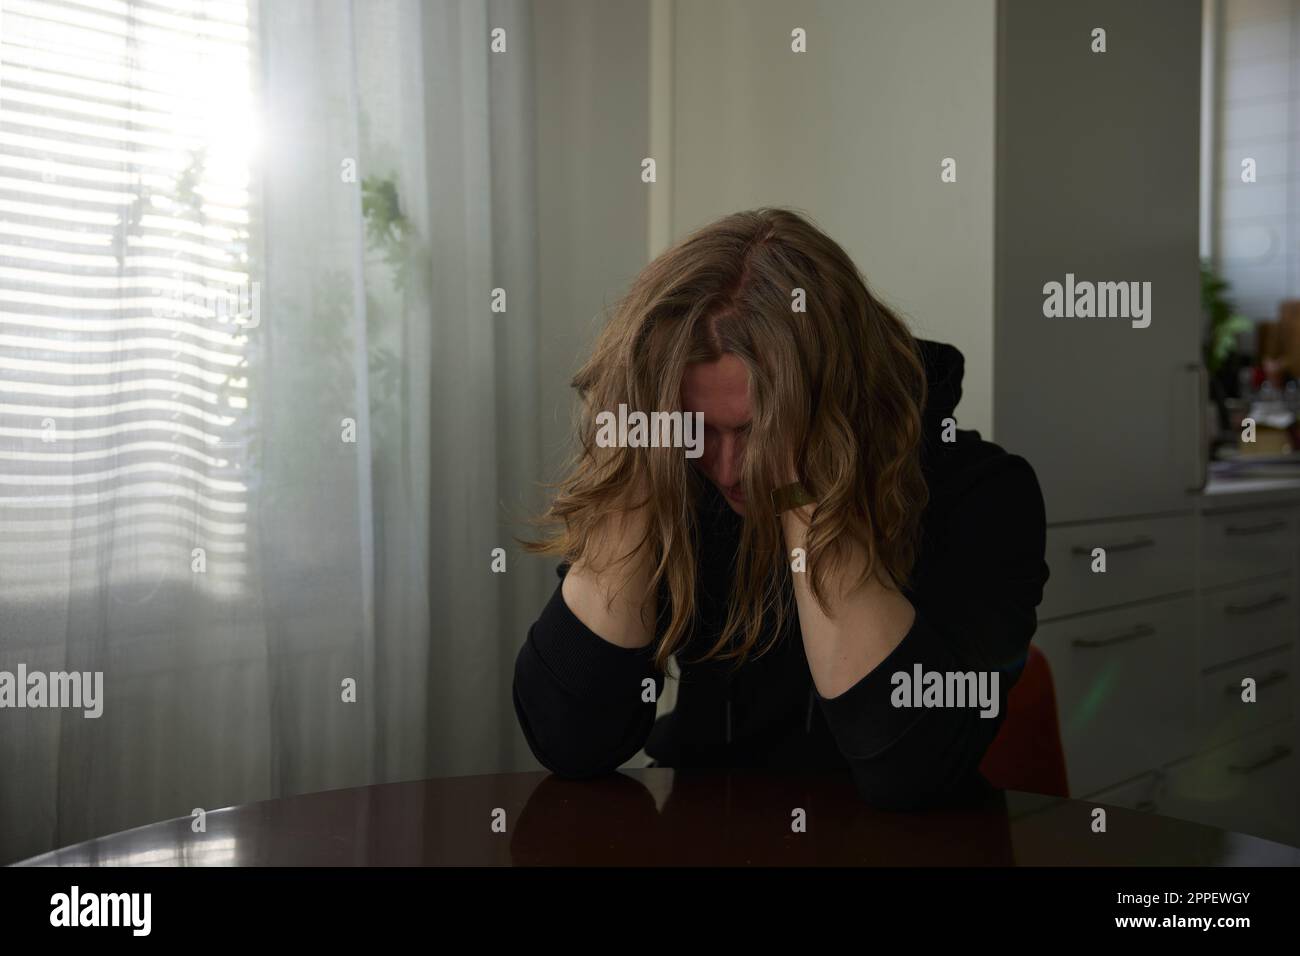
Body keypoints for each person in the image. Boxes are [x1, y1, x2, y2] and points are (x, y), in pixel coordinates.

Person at [513, 207, 1050, 810]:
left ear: (843, 404)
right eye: (698, 431)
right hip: (707, 831)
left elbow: (907, 769)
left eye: (757, 433)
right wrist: (635, 476)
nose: (726, 469)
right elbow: (571, 742)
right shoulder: (679, 473)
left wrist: (806, 483)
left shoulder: (985, 494)